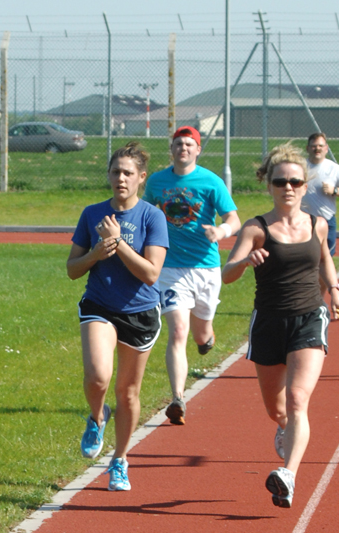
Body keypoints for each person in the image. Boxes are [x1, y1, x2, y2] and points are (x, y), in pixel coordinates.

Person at [221, 142, 339, 509]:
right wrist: (246, 260)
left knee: (297, 399)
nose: (288, 187)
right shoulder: (256, 228)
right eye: (281, 182)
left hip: (309, 316)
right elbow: (226, 274)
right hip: (268, 323)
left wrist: (336, 292)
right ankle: (284, 431)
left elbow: (324, 259)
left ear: (305, 186)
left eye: (295, 181)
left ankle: (288, 474)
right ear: (270, 186)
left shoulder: (317, 224)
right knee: (276, 409)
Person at [68, 142, 169, 491]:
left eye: (128, 173)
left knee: (128, 393)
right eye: (115, 172)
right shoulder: (92, 214)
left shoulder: (151, 217)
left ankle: (120, 461)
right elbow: (72, 269)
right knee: (98, 377)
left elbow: (151, 273)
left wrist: (119, 244)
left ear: (141, 178)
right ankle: (97, 417)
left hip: (140, 312)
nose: (121, 178)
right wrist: (96, 253)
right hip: (99, 306)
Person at [143, 125, 240, 425]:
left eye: (189, 144)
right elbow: (145, 214)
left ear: (198, 150)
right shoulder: (157, 182)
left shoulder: (211, 182)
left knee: (200, 333)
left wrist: (221, 231)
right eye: (178, 144)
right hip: (170, 269)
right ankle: (178, 398)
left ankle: (207, 337)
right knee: (178, 332)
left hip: (206, 268)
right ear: (171, 150)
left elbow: (234, 219)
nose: (183, 148)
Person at [302, 131, 339, 261]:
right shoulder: (300, 167)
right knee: (303, 258)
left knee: (325, 259)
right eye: (314, 146)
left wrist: (335, 190)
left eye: (320, 146)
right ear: (307, 148)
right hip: (302, 221)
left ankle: (325, 282)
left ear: (326, 148)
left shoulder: (334, 169)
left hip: (326, 220)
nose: (317, 149)